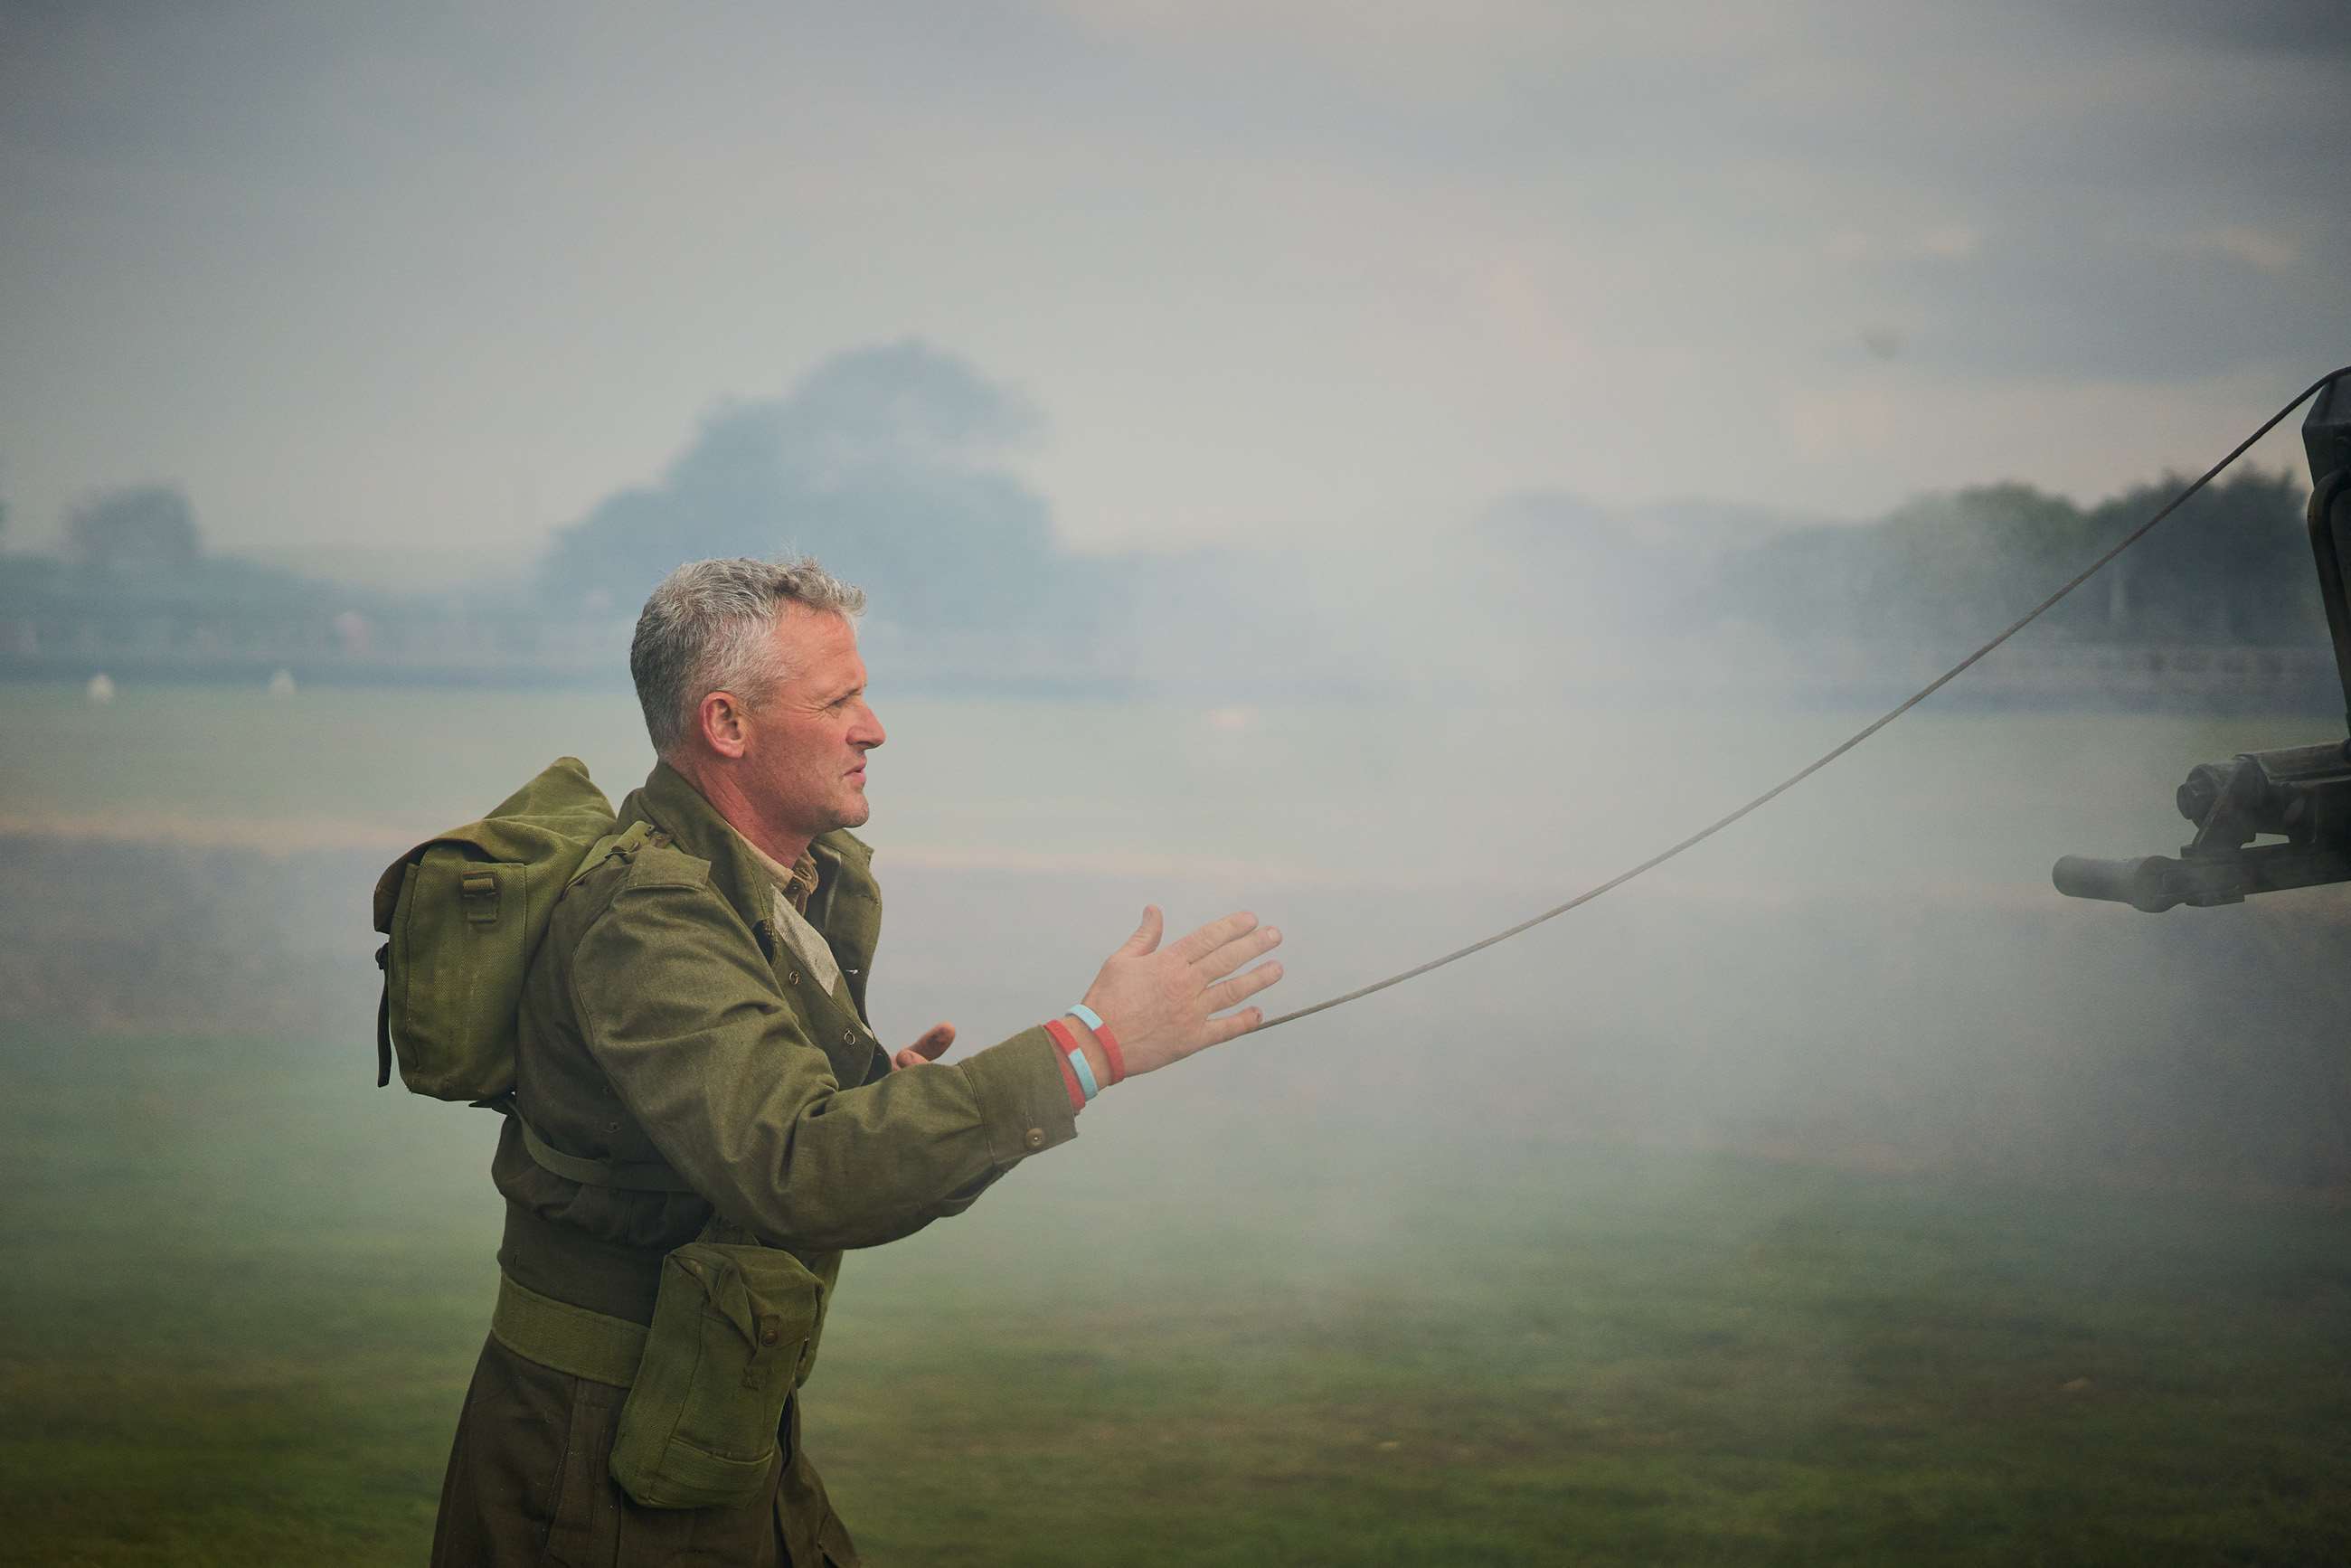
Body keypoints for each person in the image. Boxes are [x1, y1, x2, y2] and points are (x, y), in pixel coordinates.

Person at [430, 556, 1284, 1566]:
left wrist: (888, 1110)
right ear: (726, 725)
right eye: (836, 702)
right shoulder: (650, 917)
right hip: (596, 1471)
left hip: (695, 1425)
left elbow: (820, 1153)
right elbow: (801, 1170)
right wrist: (1090, 1046)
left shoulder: (766, 887)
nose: (872, 729)